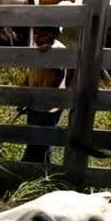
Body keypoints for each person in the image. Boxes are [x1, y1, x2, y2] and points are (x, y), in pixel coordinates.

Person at [20, 27, 71, 164]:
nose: (36, 38)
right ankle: (30, 166)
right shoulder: (37, 50)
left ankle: (41, 170)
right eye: (35, 34)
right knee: (32, 138)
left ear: (52, 35)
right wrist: (23, 96)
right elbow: (30, 74)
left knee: (44, 142)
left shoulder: (59, 50)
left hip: (50, 107)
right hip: (33, 105)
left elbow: (62, 73)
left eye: (41, 34)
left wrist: (47, 56)